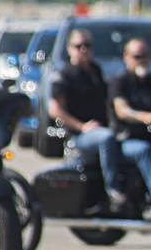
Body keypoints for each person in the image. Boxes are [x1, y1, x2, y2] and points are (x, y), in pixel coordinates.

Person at [49, 29, 127, 209]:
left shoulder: (95, 71)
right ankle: (113, 190)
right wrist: (82, 126)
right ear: (69, 49)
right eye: (78, 46)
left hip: (101, 130)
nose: (83, 50)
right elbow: (55, 110)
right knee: (106, 138)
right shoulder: (63, 75)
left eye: (87, 46)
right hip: (79, 137)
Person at [107, 37, 151, 226]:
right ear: (126, 57)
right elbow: (121, 110)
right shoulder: (120, 82)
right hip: (125, 139)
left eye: (144, 56)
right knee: (144, 152)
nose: (141, 60)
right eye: (136, 56)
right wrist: (144, 117)